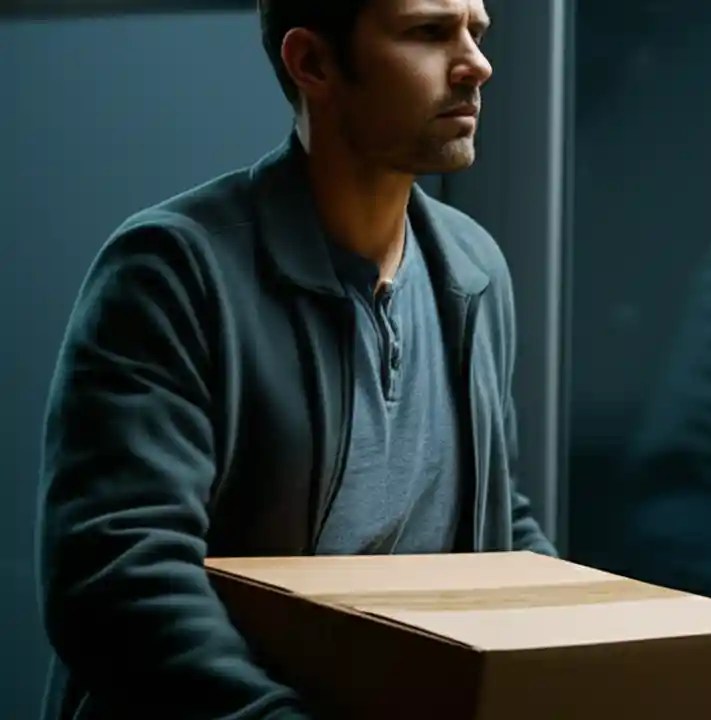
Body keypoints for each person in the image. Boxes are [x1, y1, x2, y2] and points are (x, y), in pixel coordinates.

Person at [35, 0, 553, 717]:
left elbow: (500, 518)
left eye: (477, 32)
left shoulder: (474, 270)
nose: (477, 64)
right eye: (430, 33)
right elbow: (119, 577)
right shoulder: (174, 270)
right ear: (312, 62)